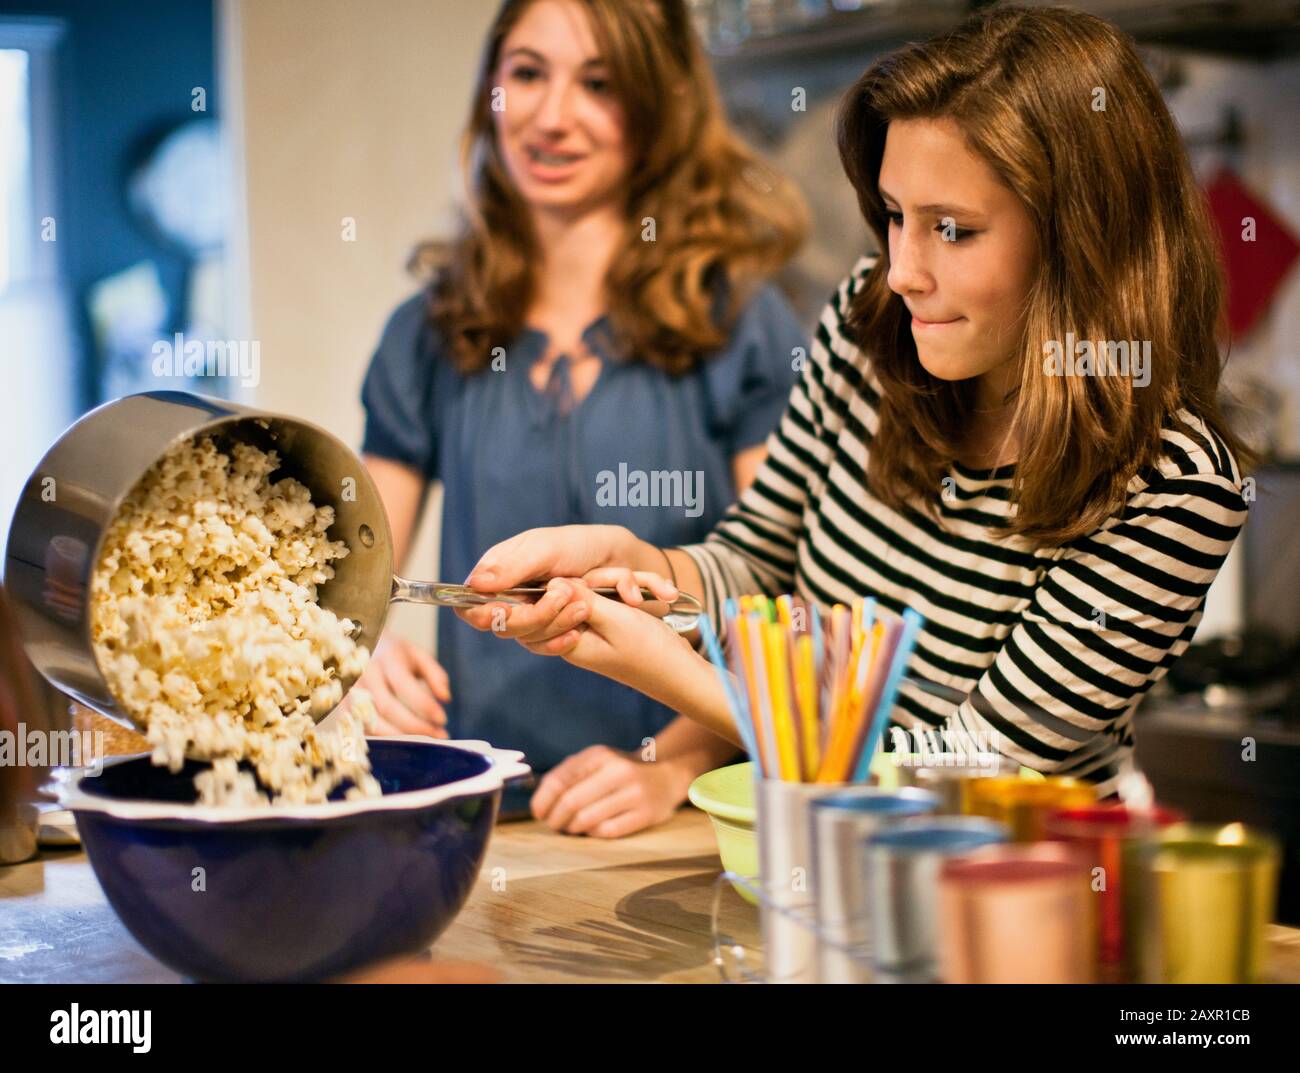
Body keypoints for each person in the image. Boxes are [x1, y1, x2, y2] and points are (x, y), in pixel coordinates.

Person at [452, 4, 1254, 798]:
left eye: (953, 230)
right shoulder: (872, 327)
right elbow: (762, 566)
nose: (903, 269)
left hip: (1012, 906)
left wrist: (684, 681)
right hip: (822, 868)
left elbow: (969, 770)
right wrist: (636, 565)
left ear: (1083, 240)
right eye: (896, 217)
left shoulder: (1172, 484)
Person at [353, 0, 809, 835]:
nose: (551, 116)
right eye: (527, 72)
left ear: (657, 110)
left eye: (597, 83)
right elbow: (352, 576)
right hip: (486, 822)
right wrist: (359, 656)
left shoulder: (741, 321)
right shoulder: (427, 331)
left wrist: (669, 765)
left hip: (686, 819)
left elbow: (780, 594)